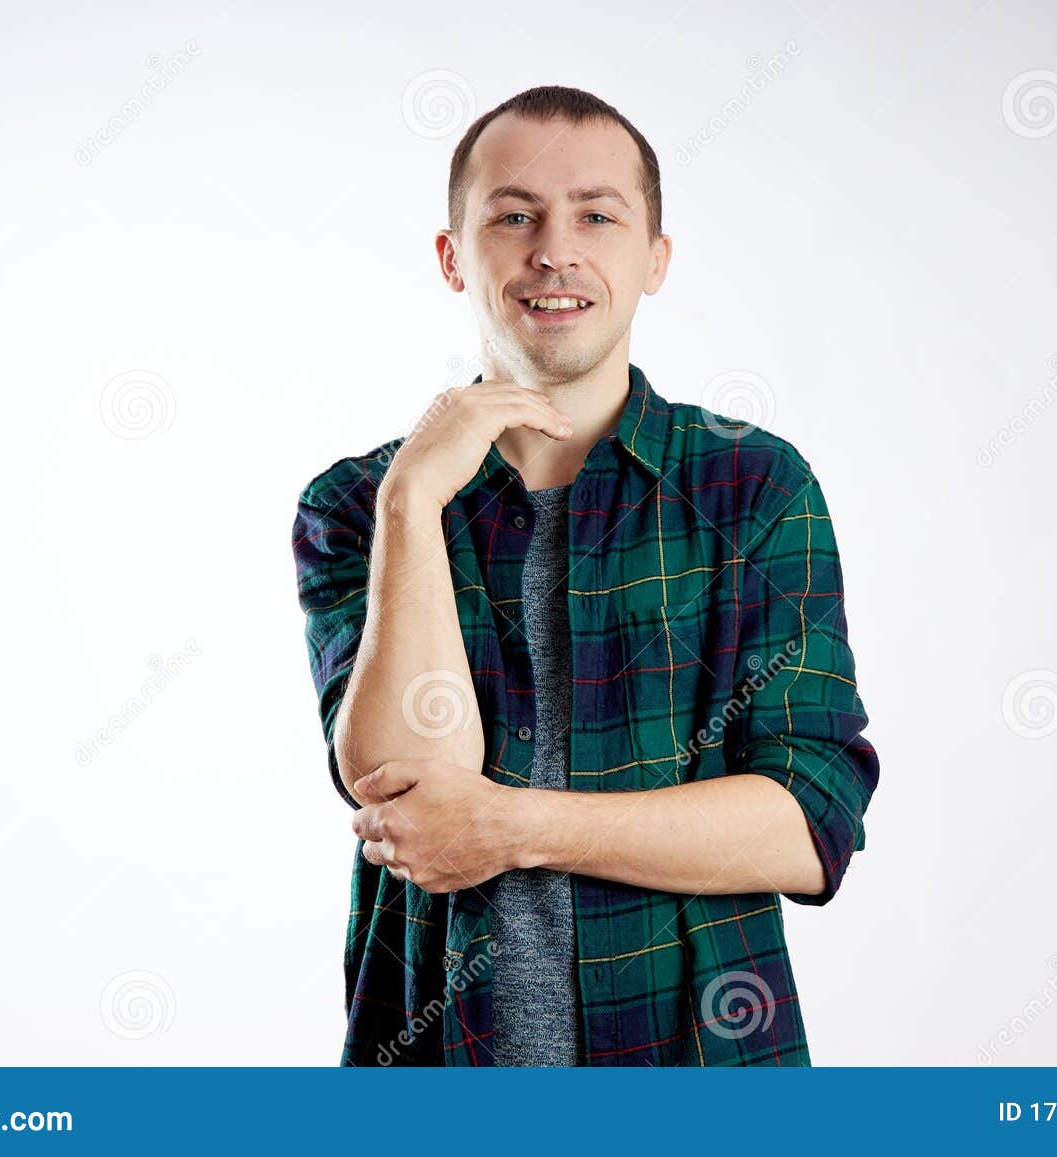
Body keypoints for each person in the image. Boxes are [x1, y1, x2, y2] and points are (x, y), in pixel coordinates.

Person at [291, 84, 879, 1066]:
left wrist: (513, 826)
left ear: (654, 258)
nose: (553, 249)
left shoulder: (749, 487)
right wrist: (412, 505)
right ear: (451, 256)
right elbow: (402, 784)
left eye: (596, 215)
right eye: (513, 215)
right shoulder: (359, 501)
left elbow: (807, 822)